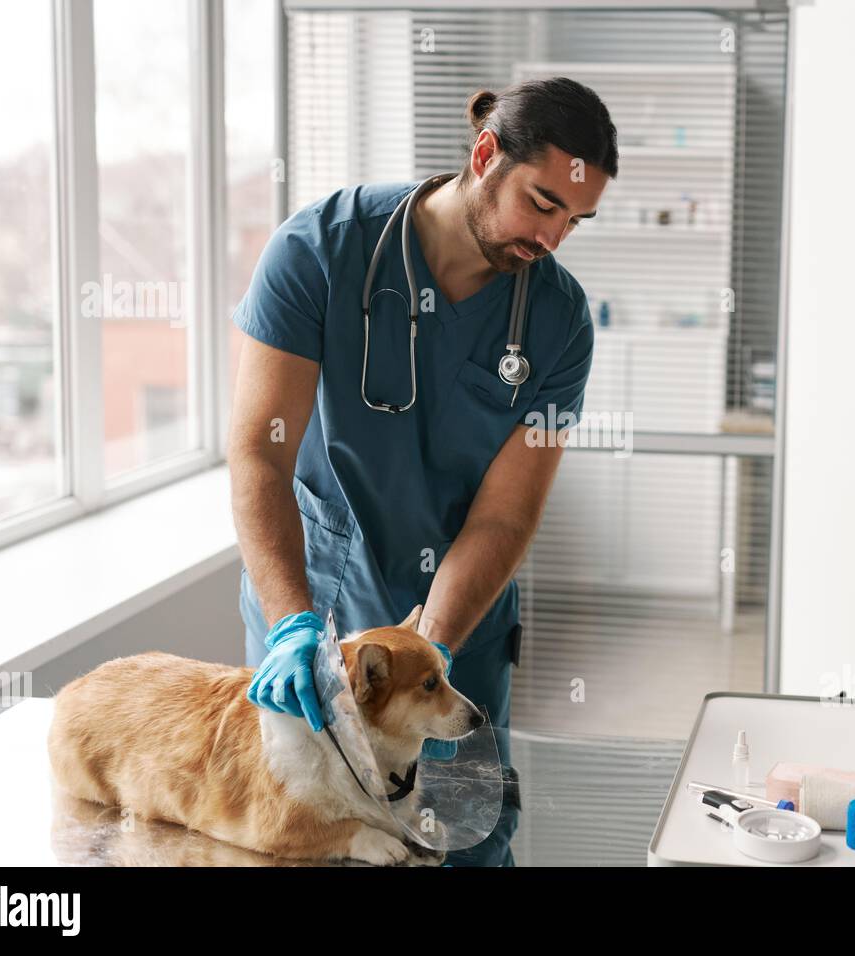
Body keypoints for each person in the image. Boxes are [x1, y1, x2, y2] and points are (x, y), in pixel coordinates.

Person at [227, 77, 617, 866]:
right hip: (316, 627)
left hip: (456, 635)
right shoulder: (320, 253)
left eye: (576, 220)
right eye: (543, 204)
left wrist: (425, 659)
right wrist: (290, 622)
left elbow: (505, 516)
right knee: (302, 838)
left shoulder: (559, 322)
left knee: (466, 839)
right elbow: (260, 453)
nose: (553, 238)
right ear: (484, 156)